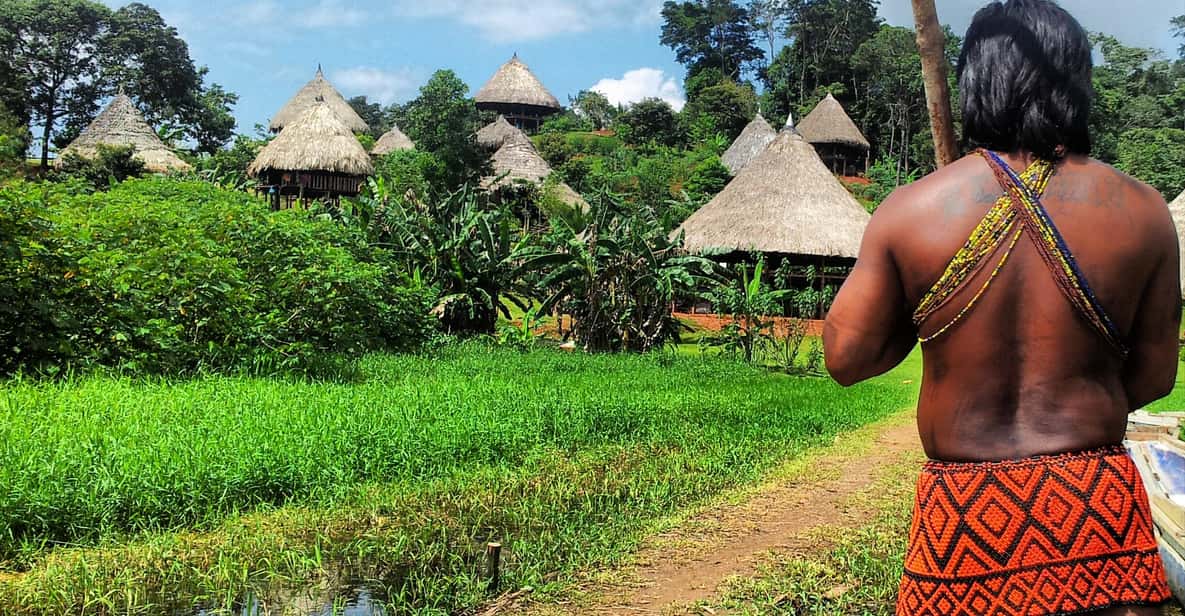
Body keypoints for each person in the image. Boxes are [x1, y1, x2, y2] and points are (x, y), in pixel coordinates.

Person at [823, 1, 1179, 615]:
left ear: (976, 82)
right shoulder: (1144, 211)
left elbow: (847, 358)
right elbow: (1154, 377)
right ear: (1078, 82)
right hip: (1097, 512)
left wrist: (926, 304)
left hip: (964, 519)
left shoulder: (910, 211)